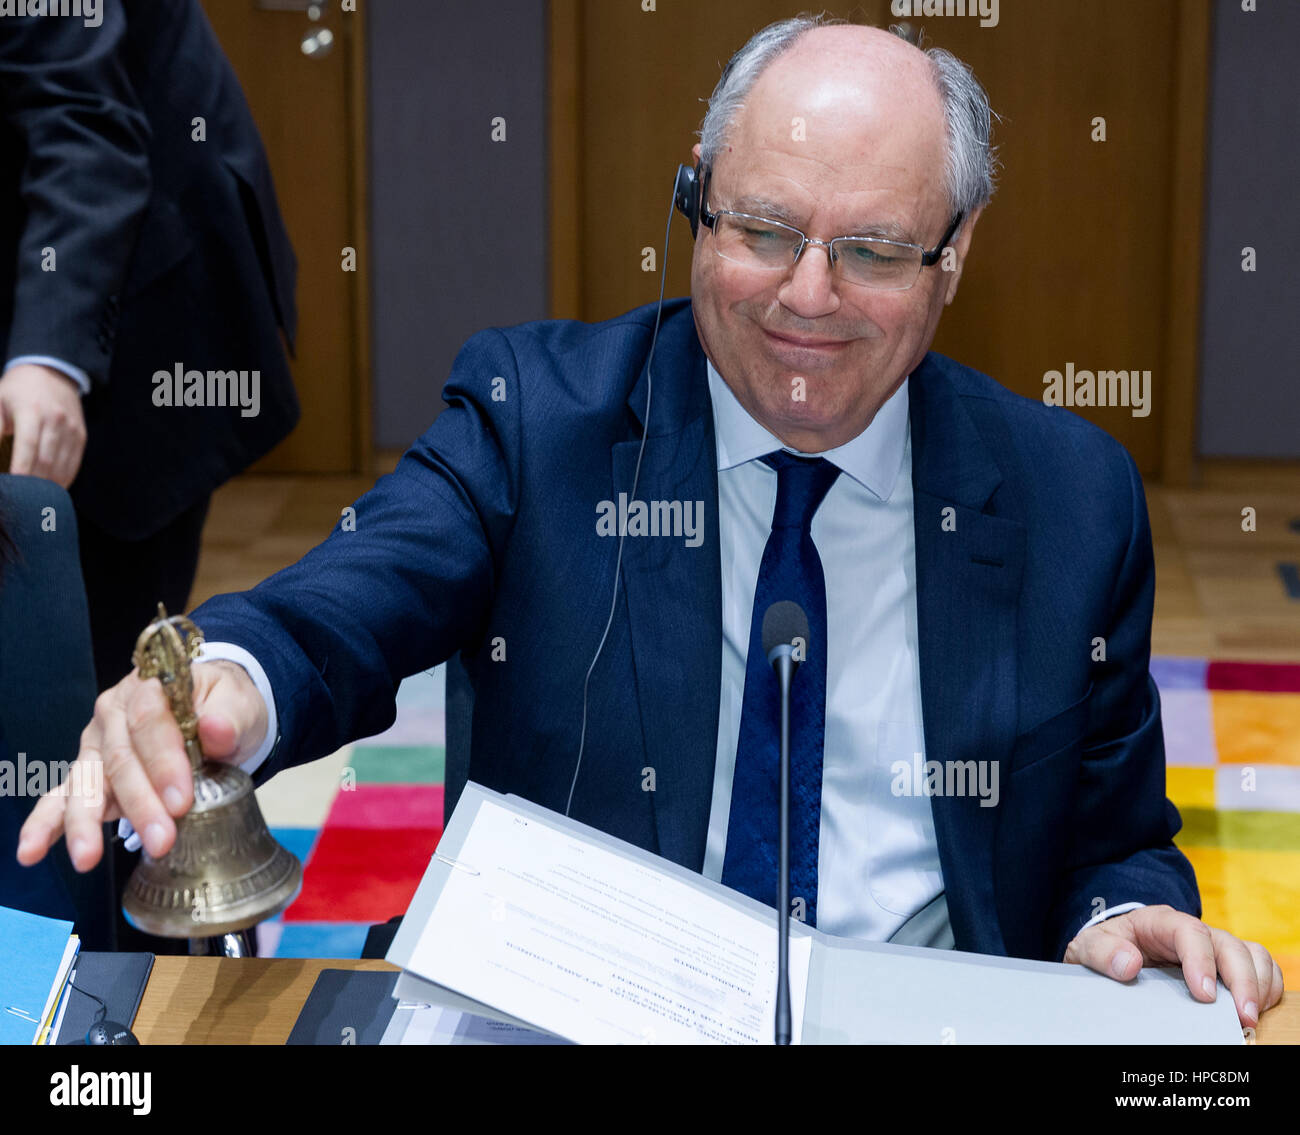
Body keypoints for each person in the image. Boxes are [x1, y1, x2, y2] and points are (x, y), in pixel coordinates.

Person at [18, 18, 1283, 1025]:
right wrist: (230, 683)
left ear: (956, 256)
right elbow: (353, 596)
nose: (805, 298)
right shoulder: (539, 415)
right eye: (765, 229)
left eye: (875, 252)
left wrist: (1118, 915)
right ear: (695, 203)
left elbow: (1113, 841)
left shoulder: (1073, 496)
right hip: (574, 1012)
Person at [0, 1, 299, 954]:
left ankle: (138, 975)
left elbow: (83, 126)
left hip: (134, 311)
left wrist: (48, 356)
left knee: (107, 690)